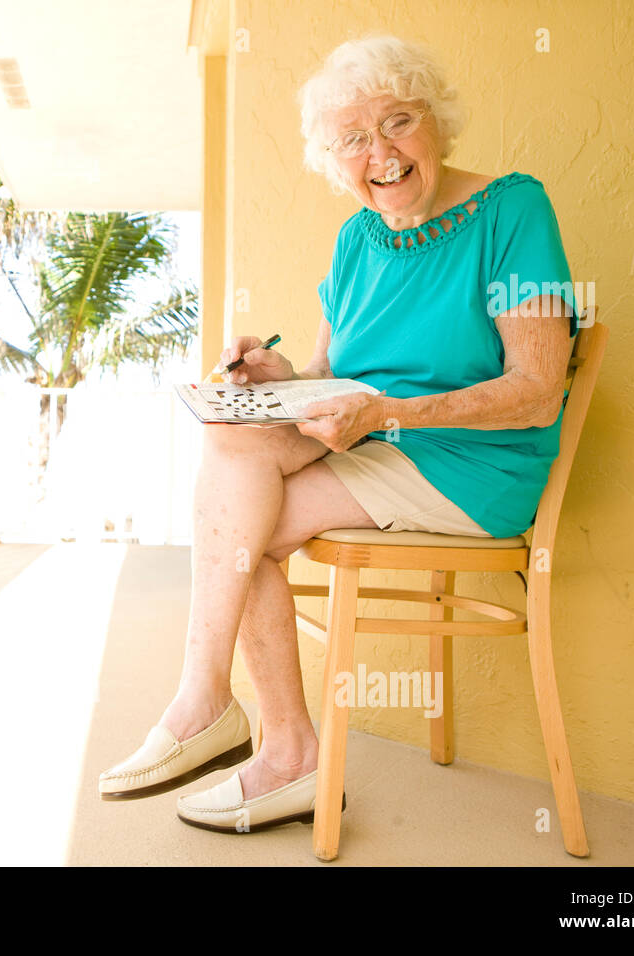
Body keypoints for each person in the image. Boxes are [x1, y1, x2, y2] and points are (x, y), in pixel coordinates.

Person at [98, 34, 579, 833]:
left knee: (240, 526)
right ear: (335, 158)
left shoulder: (512, 208)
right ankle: (257, 733)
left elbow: (533, 395)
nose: (380, 154)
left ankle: (235, 722)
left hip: (471, 464)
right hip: (371, 444)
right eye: (354, 139)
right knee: (233, 442)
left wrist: (387, 413)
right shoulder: (357, 238)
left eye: (397, 122)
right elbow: (329, 368)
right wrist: (272, 375)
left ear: (438, 123)